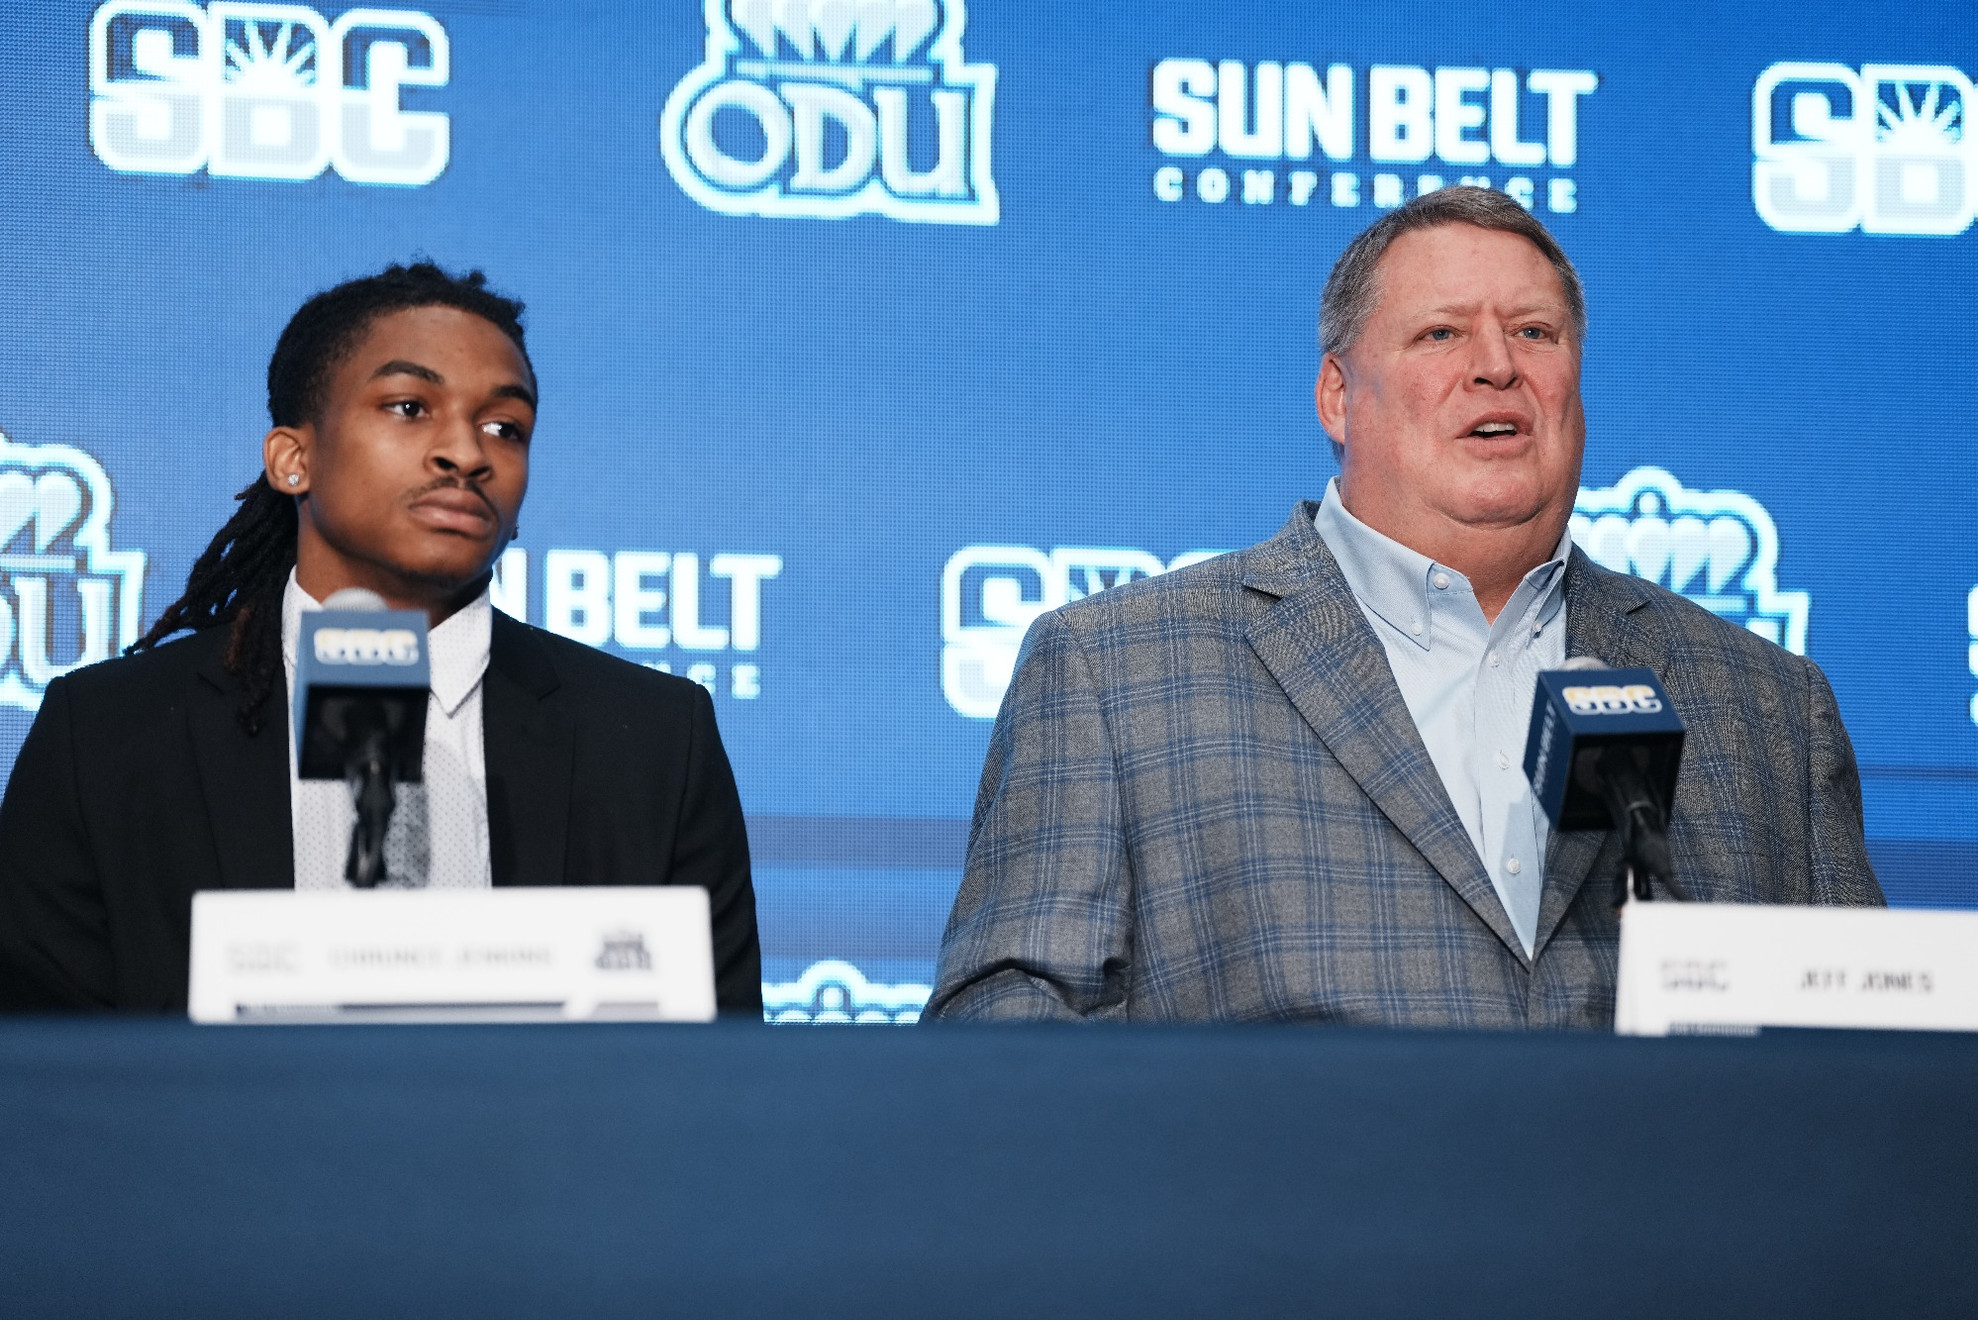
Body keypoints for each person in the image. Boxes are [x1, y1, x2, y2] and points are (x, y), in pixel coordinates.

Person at [928, 187, 1881, 1027]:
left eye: (1535, 333)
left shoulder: (1765, 705)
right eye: (1441, 334)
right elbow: (1008, 1048)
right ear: (1337, 398)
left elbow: (1871, 1066)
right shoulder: (1118, 673)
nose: (1497, 365)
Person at [0, 263, 762, 1014]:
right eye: (409, 407)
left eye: (505, 428)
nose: (468, 453)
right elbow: (44, 1065)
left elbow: (719, 1065)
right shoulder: (105, 734)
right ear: (294, 459)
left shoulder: (655, 740)